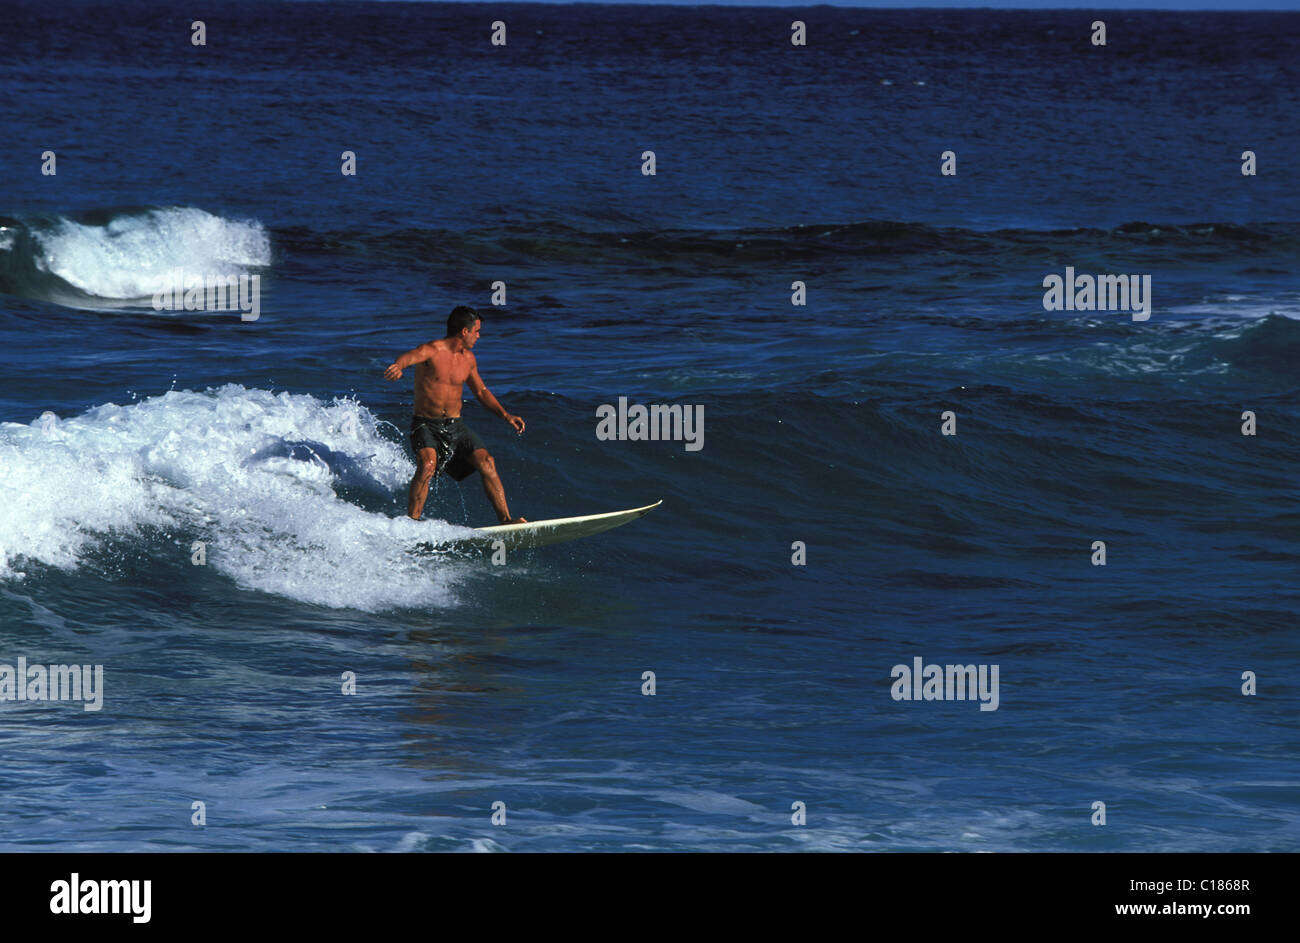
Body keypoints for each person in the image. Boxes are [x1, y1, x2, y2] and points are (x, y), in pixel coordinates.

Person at [383, 306, 527, 523]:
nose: (479, 336)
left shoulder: (468, 359)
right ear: (464, 332)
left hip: (455, 426)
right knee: (428, 464)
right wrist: (399, 365)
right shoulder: (432, 350)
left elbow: (480, 391)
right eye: (476, 331)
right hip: (425, 424)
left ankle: (506, 520)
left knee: (487, 461)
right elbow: (410, 356)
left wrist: (506, 416)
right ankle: (412, 522)